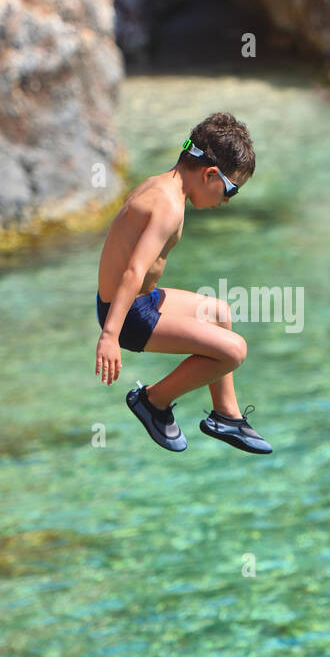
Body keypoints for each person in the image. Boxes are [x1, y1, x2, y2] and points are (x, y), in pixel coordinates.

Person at [93, 112, 271, 454]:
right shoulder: (169, 206)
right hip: (127, 314)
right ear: (209, 174)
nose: (227, 201)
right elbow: (132, 271)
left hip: (140, 299)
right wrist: (110, 335)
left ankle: (226, 414)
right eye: (230, 189)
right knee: (234, 351)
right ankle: (153, 401)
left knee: (218, 312)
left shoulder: (160, 183)